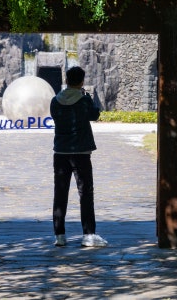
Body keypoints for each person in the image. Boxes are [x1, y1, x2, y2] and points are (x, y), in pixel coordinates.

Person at [50, 65, 108, 247]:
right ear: (82, 81)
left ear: (66, 80)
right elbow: (95, 115)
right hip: (81, 153)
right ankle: (88, 235)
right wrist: (88, 98)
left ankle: (59, 236)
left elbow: (56, 118)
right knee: (85, 193)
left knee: (60, 193)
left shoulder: (55, 101)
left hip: (60, 153)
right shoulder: (83, 101)